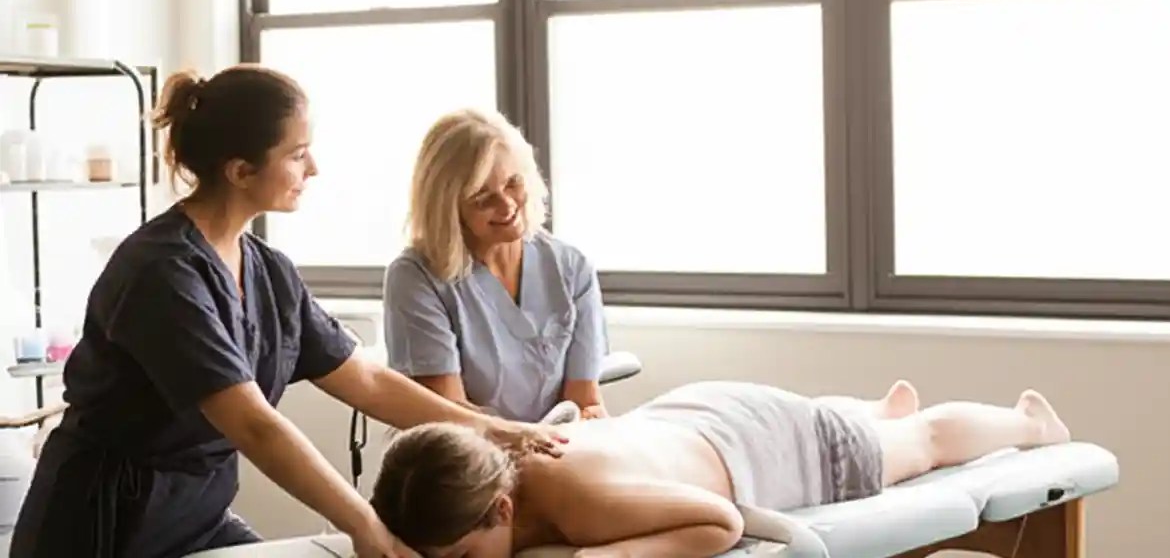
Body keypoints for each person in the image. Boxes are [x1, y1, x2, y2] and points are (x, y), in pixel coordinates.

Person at [11, 66, 564, 558]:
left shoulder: (267, 269)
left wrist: (495, 430)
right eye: (297, 154)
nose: (314, 167)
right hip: (102, 526)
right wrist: (364, 527)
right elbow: (255, 425)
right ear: (240, 171)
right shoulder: (163, 274)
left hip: (197, 518)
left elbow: (366, 380)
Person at [370, 379, 1073, 558]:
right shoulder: (454, 500)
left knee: (922, 442)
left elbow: (719, 522)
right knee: (855, 426)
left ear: (501, 510)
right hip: (693, 419)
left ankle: (1029, 420)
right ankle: (875, 409)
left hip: (766, 443)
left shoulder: (587, 506)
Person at [383, 108, 609, 423]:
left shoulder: (571, 267)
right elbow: (450, 422)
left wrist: (590, 427)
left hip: (557, 450)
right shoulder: (416, 279)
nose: (507, 205)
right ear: (449, 207)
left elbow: (583, 403)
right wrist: (529, 443)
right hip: (469, 459)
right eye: (482, 198)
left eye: (512, 183)